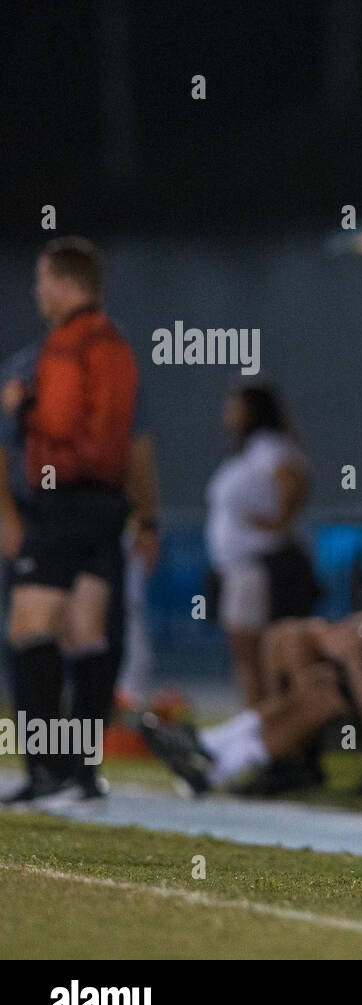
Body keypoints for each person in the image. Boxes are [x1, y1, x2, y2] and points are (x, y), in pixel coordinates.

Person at [144, 449, 362, 795]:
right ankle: (220, 753)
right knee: (299, 651)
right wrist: (355, 627)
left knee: (324, 683)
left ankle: (222, 753)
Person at [3, 238, 136, 805]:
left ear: (65, 283)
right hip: (107, 502)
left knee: (28, 628)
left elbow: (57, 422)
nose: (36, 292)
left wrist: (22, 406)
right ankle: (84, 767)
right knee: (87, 633)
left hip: (62, 502)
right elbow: (130, 442)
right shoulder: (117, 346)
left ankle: (46, 767)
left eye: (42, 280)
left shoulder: (63, 348)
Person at [204, 384, 317, 710]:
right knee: (248, 655)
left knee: (259, 654)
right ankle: (258, 726)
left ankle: (269, 728)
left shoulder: (269, 446)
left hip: (256, 566)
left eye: (235, 403)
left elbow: (292, 480)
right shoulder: (251, 451)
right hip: (237, 566)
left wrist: (280, 521)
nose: (227, 410)